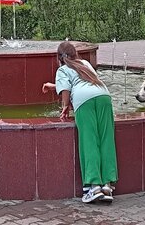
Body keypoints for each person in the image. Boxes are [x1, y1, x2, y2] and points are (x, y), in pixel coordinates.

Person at [42, 41, 118, 203]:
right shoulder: (84, 64)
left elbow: (66, 89)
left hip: (85, 102)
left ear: (58, 58)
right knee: (106, 140)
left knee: (89, 141)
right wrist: (52, 85)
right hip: (103, 96)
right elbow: (79, 81)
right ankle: (107, 184)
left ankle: (93, 186)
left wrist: (64, 108)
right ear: (75, 54)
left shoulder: (62, 69)